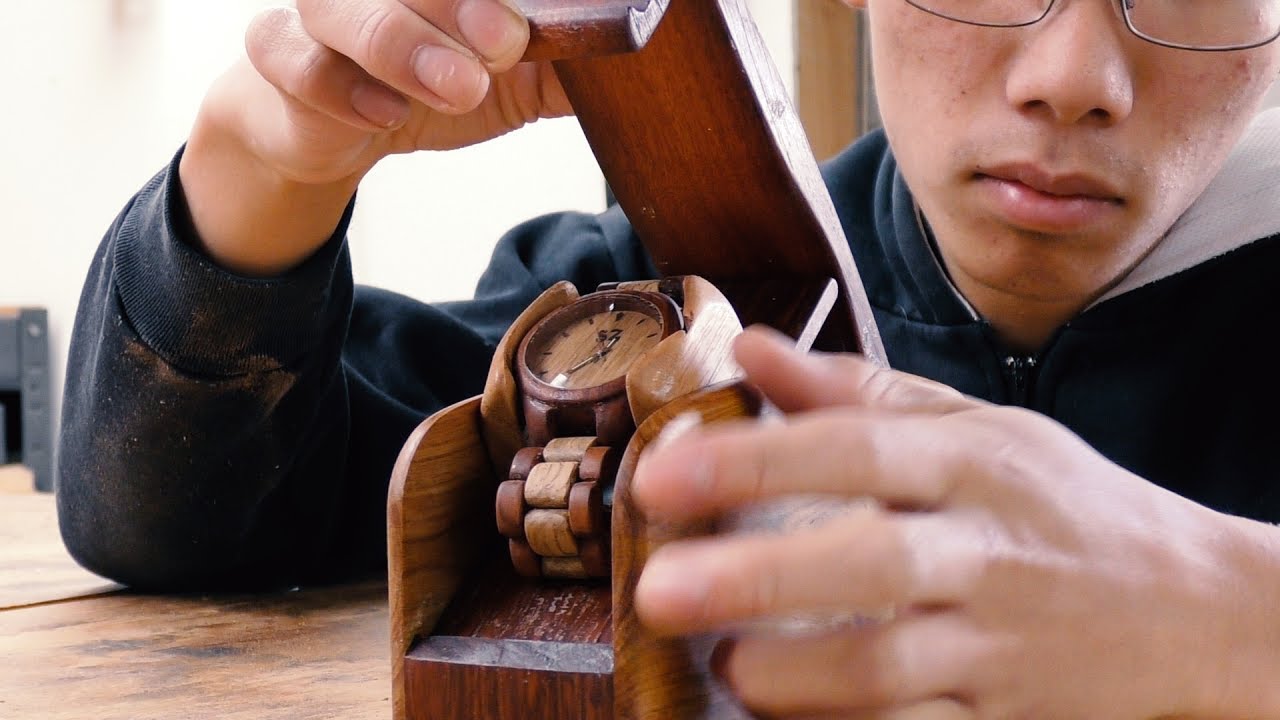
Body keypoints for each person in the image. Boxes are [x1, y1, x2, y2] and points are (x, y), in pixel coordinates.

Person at [58, 0, 1280, 715]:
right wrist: (264, 172)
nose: (1070, 77)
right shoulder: (665, 293)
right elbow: (193, 524)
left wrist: (1234, 608)